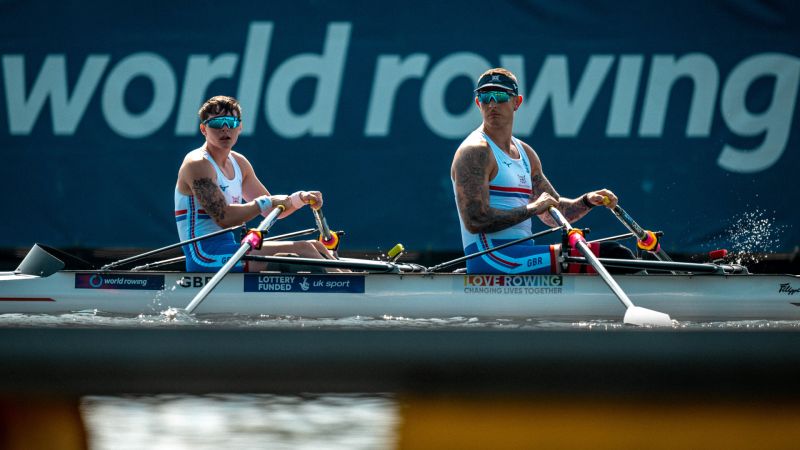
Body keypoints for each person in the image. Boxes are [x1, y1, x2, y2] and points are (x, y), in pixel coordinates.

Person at [451, 68, 632, 274]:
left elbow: (552, 212)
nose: (492, 103)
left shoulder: (526, 153)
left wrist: (587, 200)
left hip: (520, 256)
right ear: (478, 103)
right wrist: (534, 208)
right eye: (485, 97)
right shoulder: (475, 151)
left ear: (516, 102)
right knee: (616, 256)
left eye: (501, 96)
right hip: (493, 259)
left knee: (619, 255)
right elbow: (476, 221)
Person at [175, 95, 335, 272]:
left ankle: (355, 285)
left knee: (316, 246)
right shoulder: (197, 164)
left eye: (231, 122)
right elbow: (224, 218)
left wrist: (299, 198)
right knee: (303, 249)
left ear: (240, 127)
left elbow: (270, 211)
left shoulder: (239, 163)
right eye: (217, 123)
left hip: (231, 249)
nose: (225, 128)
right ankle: (352, 291)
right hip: (205, 256)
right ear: (204, 129)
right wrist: (266, 202)